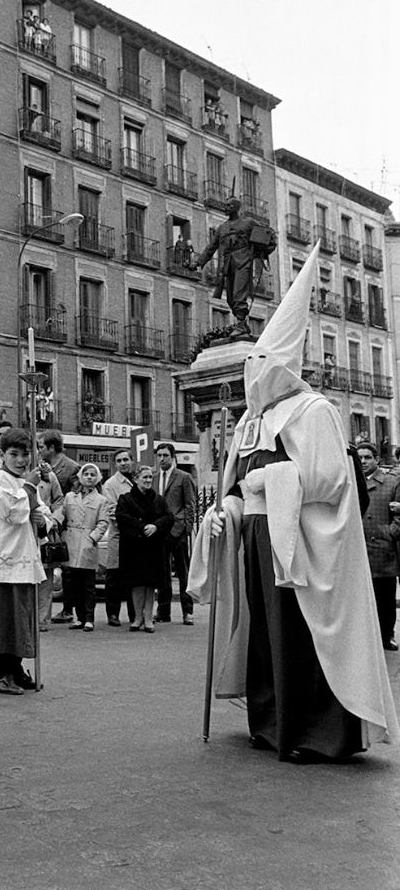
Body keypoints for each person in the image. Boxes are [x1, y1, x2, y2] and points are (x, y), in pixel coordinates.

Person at [190, 243, 399, 762]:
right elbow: (237, 488)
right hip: (258, 539)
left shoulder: (314, 411)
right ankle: (270, 723)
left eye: (264, 362)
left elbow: (329, 481)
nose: (255, 373)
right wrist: (226, 513)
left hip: (301, 545)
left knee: (301, 635)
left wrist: (269, 481)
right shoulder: (248, 422)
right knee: (264, 634)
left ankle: (313, 732)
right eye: (252, 363)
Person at [0, 428, 49, 694]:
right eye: (14, 454)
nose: (20, 460)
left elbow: (40, 510)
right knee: (1, 619)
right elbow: (12, 512)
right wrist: (29, 487)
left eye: (25, 454)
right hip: (2, 560)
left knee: (19, 619)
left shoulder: (25, 481)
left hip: (23, 558)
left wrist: (42, 520)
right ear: (2, 454)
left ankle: (15, 669)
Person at [196, 197, 276, 338]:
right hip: (228, 265)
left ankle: (240, 323)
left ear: (236, 207)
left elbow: (269, 236)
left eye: (228, 205)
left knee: (239, 294)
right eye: (225, 205)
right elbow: (211, 248)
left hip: (243, 262)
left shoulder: (248, 222)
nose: (225, 207)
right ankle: (242, 323)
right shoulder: (222, 228)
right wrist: (198, 263)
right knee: (230, 299)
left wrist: (259, 252)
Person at [116, 465, 174, 632]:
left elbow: (169, 517)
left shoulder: (158, 499)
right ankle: (137, 618)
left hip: (153, 547)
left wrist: (156, 526)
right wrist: (142, 528)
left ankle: (148, 618)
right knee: (136, 584)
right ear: (136, 479)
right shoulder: (126, 499)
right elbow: (122, 518)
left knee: (150, 584)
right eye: (145, 477)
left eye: (150, 477)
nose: (148, 480)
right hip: (134, 547)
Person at [357, 442, 400, 651]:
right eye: (360, 458)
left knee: (385, 597)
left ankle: (386, 635)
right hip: (359, 548)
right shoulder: (352, 482)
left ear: (377, 459)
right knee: (362, 598)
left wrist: (390, 532)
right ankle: (366, 639)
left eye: (367, 457)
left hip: (383, 549)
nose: (363, 461)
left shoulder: (391, 482)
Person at [38, 430, 80, 624]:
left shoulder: (70, 467)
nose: (38, 450)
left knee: (61, 570)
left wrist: (55, 519)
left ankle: (65, 610)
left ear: (51, 447)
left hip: (60, 526)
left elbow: (67, 498)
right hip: (37, 527)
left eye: (41, 446)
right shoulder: (37, 468)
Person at [61, 464, 109, 632]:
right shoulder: (70, 497)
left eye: (92, 474)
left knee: (88, 584)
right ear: (81, 477)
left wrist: (93, 537)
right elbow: (62, 515)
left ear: (97, 478)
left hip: (88, 542)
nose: (89, 477)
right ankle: (79, 617)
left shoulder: (101, 500)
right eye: (86, 474)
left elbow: (103, 522)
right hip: (72, 541)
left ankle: (89, 618)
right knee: (74, 583)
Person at [152, 444, 196, 624]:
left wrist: (186, 528)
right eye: (159, 455)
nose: (162, 459)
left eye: (165, 455)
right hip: (160, 531)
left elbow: (190, 504)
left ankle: (187, 611)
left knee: (183, 572)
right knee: (162, 573)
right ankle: (163, 611)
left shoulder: (184, 477)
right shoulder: (154, 478)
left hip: (178, 531)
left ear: (172, 457)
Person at [102, 449, 135, 626]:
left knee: (133, 577)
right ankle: (113, 613)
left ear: (132, 461)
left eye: (125, 460)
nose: (123, 463)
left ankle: (134, 614)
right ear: (115, 464)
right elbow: (113, 511)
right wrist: (134, 521)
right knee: (114, 576)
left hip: (135, 538)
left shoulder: (137, 479)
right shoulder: (110, 484)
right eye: (119, 461)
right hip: (118, 534)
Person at [36, 461, 64, 631]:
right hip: (24, 531)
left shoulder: (49, 476)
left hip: (46, 532)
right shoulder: (15, 474)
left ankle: (42, 619)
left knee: (46, 578)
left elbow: (60, 500)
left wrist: (53, 520)